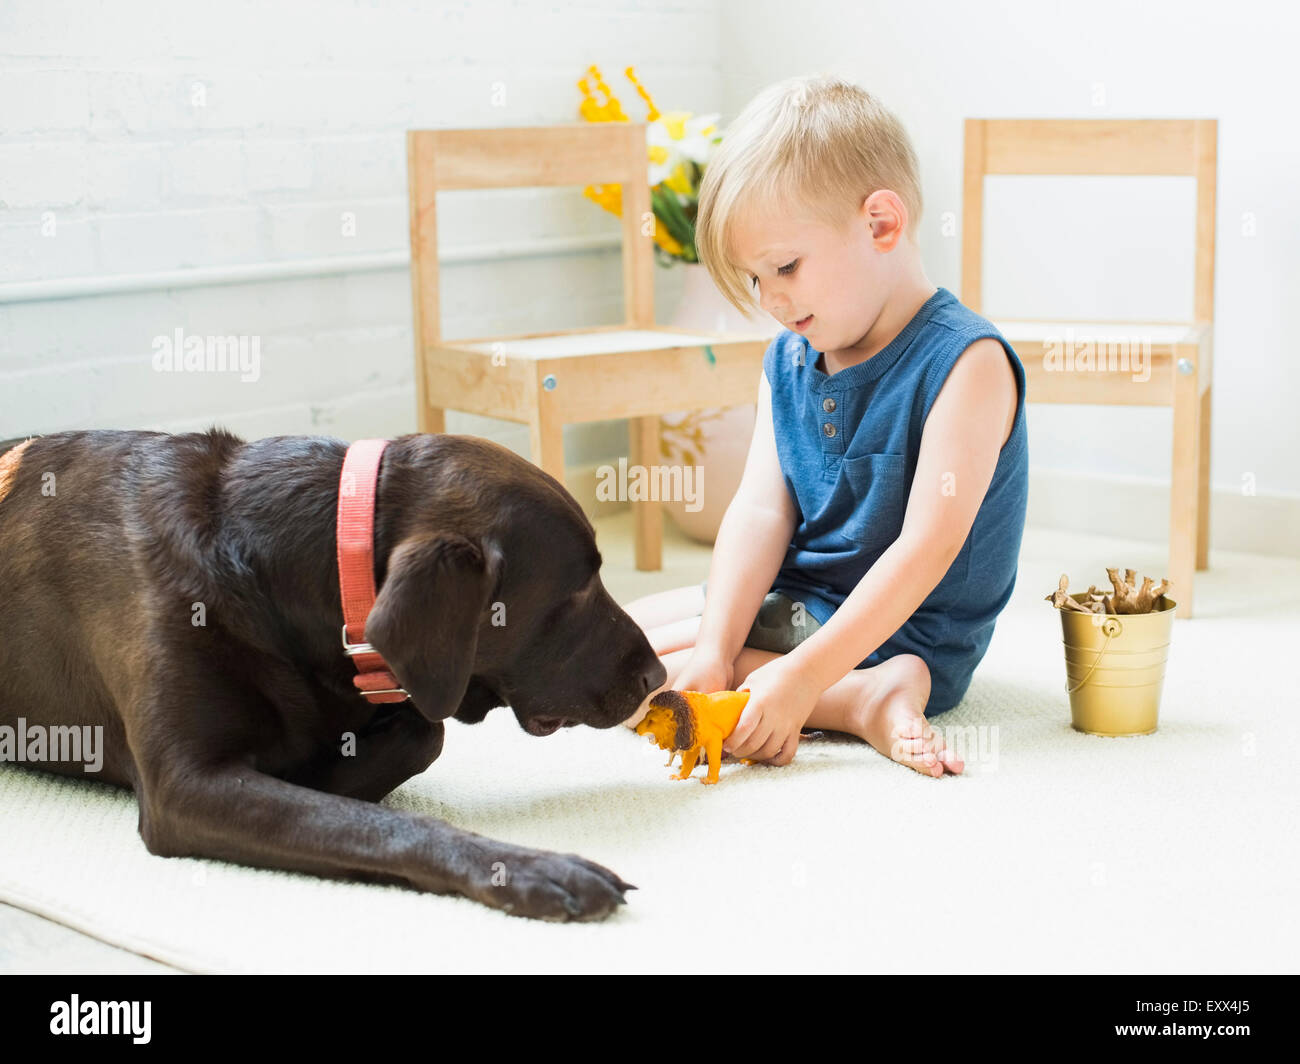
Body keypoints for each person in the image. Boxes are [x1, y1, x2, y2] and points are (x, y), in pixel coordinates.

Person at [621, 73, 1029, 778]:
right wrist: (717, 650)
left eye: (785, 266)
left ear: (881, 224)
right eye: (755, 280)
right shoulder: (789, 358)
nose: (771, 300)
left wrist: (804, 678)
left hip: (907, 629)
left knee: (640, 671)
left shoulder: (967, 362)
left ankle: (861, 694)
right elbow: (758, 512)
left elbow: (926, 551)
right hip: (799, 604)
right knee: (619, 655)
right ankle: (847, 694)